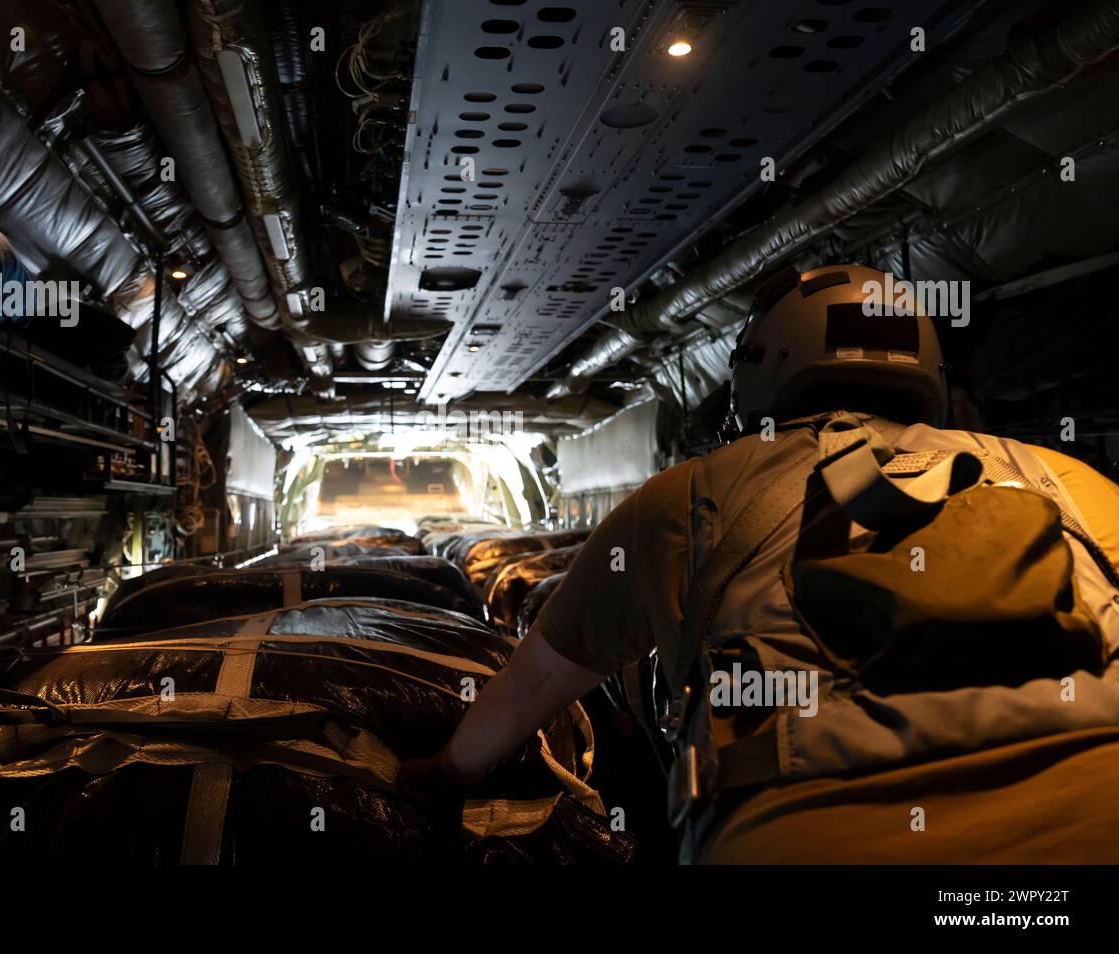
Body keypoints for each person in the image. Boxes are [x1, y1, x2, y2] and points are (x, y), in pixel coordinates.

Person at [404, 264, 1119, 863]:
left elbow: (531, 687)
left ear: (765, 364)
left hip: (808, 834)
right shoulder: (1069, 481)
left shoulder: (690, 498)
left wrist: (443, 772)